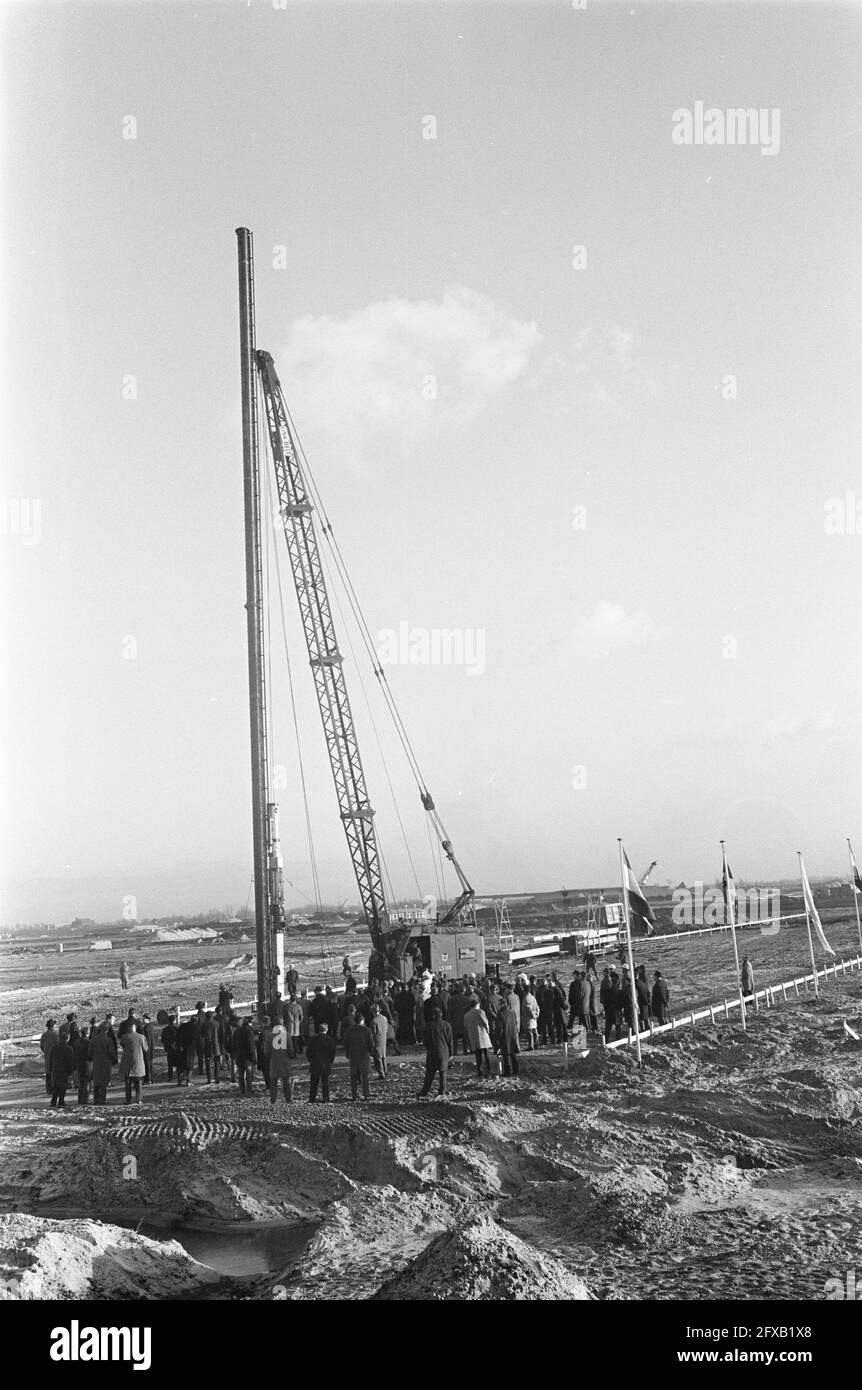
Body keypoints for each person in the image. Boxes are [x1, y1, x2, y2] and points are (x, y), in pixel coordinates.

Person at [419, 1007, 454, 1097]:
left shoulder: (428, 1025)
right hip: (444, 1051)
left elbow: (425, 1040)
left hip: (432, 1051)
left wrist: (429, 1048)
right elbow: (450, 1040)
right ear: (441, 1015)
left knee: (430, 1073)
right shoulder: (447, 1025)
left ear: (433, 1015)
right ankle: (441, 1091)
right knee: (443, 1073)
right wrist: (451, 1053)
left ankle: (425, 1091)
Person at [344, 1015, 374, 1101]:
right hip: (364, 1055)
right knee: (365, 1076)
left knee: (354, 1076)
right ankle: (366, 1094)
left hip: (353, 1055)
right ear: (363, 1020)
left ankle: (354, 1095)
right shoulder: (367, 1030)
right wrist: (370, 1051)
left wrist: (348, 1051)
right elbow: (371, 1044)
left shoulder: (349, 1030)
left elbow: (345, 1043)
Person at [265, 1019, 294, 1104]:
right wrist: (291, 1056)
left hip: (274, 1061)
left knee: (273, 1081)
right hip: (285, 1061)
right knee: (286, 1081)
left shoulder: (270, 1036)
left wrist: (269, 1057)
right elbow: (290, 1049)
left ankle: (273, 1100)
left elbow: (266, 1050)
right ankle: (288, 1099)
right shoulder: (287, 1035)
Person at [307, 1021, 336, 1102]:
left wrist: (311, 1060)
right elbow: (332, 1053)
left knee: (313, 1083)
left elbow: (308, 1052)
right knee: (325, 1083)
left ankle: (312, 1099)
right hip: (325, 1063)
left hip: (315, 1063)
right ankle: (325, 1098)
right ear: (326, 1030)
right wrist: (330, 1061)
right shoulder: (330, 1040)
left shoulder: (312, 1040)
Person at [119, 1020, 148, 1105]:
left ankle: (128, 1100)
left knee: (128, 1082)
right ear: (135, 1028)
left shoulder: (124, 1037)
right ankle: (138, 1099)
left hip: (127, 1062)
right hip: (138, 1061)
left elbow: (123, 1046)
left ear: (128, 1028)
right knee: (138, 1082)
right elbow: (145, 1049)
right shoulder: (141, 1037)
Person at [91, 1022, 117, 1105]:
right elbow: (111, 1052)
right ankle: (102, 1099)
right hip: (105, 1062)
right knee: (104, 1082)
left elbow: (90, 1052)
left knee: (96, 1082)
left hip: (96, 1062)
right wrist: (114, 1059)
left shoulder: (94, 1039)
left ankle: (96, 1099)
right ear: (106, 1031)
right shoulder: (108, 1040)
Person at [49, 1035, 75, 1108]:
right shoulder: (69, 1048)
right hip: (64, 1069)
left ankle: (53, 1101)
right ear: (67, 1039)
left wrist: (51, 1068)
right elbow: (70, 1061)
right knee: (63, 1086)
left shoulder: (54, 1047)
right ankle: (61, 1101)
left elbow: (50, 1059)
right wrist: (70, 1070)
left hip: (55, 1068)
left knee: (56, 1086)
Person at [233, 1017, 256, 1096]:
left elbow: (233, 1043)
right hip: (247, 1056)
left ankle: (242, 1089)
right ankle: (249, 1089)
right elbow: (251, 1045)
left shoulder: (237, 1031)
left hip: (238, 1054)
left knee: (241, 1073)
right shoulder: (249, 1031)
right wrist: (253, 1057)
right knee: (249, 1073)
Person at [499, 998, 520, 1077]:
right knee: (513, 1053)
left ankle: (507, 1071)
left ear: (502, 1004)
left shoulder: (501, 1014)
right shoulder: (512, 1012)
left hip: (505, 1035)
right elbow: (515, 1022)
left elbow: (499, 1028)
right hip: (513, 1034)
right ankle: (516, 1070)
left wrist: (497, 1038)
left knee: (505, 1055)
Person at [40, 1019, 59, 1095]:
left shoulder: (44, 1035)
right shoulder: (54, 1034)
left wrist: (46, 1051)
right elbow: (57, 1045)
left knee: (48, 1072)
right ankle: (53, 1088)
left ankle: (48, 1089)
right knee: (53, 1072)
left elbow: (41, 1046)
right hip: (54, 1056)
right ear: (53, 1026)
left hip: (47, 1056)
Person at [75, 1027, 92, 1105]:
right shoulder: (88, 1042)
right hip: (86, 1063)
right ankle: (85, 1099)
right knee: (86, 1082)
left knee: (81, 1081)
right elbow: (90, 1053)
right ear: (87, 1033)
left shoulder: (77, 1041)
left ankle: (80, 1099)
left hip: (78, 1062)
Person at [161, 1014, 178, 1081]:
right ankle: (178, 1076)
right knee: (177, 1062)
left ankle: (170, 1077)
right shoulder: (176, 1028)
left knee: (170, 1064)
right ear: (174, 1020)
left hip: (168, 1048)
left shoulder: (165, 1029)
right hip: (175, 1048)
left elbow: (162, 1040)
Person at [141, 1014, 156, 1084]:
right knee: (150, 1064)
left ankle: (148, 1079)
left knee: (147, 1064)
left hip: (147, 1048)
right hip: (151, 1048)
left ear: (147, 1019)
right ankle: (151, 1079)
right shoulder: (151, 1027)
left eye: (144, 1019)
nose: (142, 1020)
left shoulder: (146, 1028)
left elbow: (145, 1039)